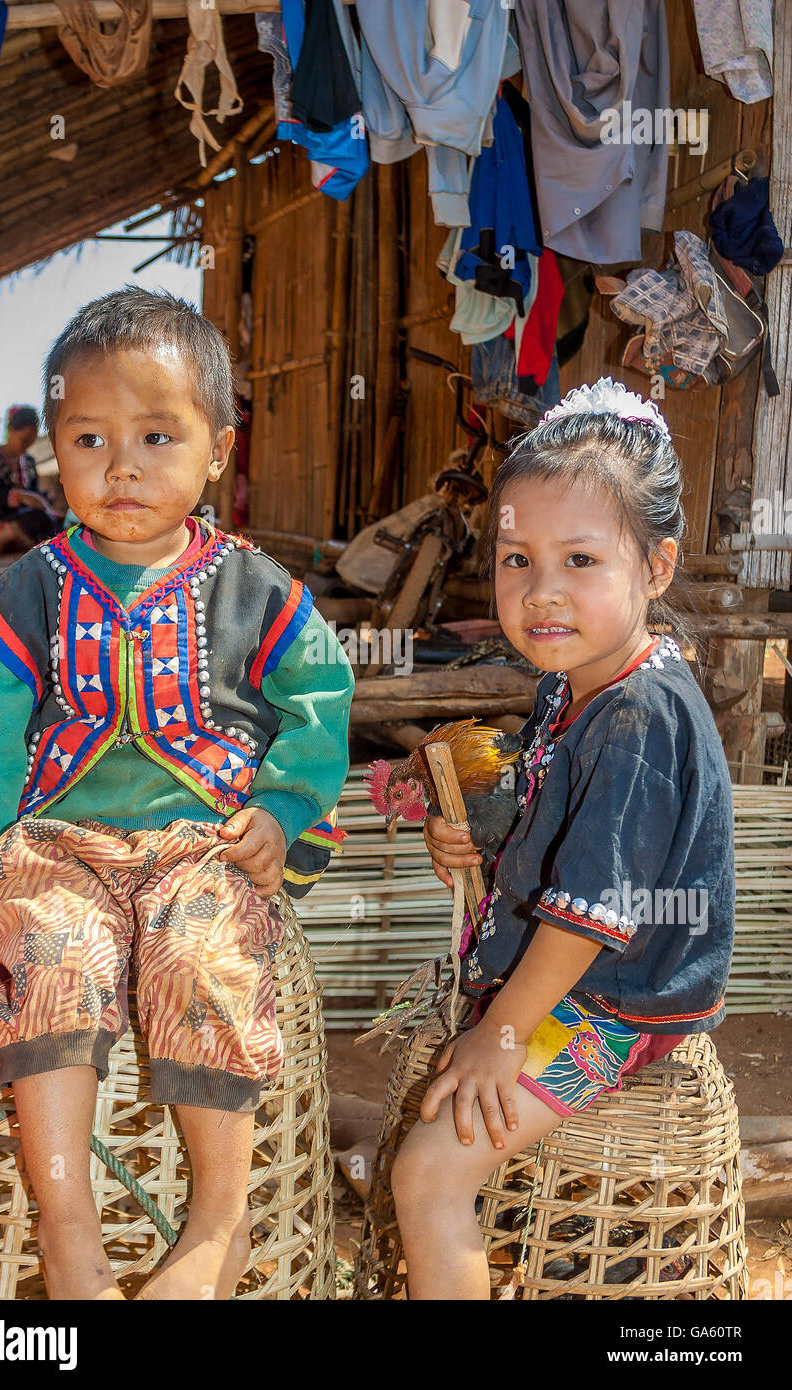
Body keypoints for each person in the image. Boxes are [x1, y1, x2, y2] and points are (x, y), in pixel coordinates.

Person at [0, 286, 354, 1301]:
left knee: (199, 954)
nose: (120, 466)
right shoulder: (18, 603)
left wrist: (280, 814)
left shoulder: (261, 595)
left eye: (158, 435)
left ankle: (217, 1223)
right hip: (53, 850)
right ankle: (67, 1222)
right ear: (51, 455)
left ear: (217, 451)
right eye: (88, 438)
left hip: (201, 845)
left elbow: (317, 709)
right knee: (51, 952)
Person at [391, 378, 735, 1300]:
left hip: (614, 999)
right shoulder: (573, 684)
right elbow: (550, 816)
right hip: (579, 973)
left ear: (657, 567)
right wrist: (471, 838)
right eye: (516, 560)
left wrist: (503, 1032)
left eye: (581, 560)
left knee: (426, 1173)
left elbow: (594, 911)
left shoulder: (639, 717)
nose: (540, 594)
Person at [0, 405, 63, 551]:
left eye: (31, 440)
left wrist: (46, 507)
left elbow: (34, 495)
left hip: (28, 520)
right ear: (10, 430)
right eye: (23, 439)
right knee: (37, 520)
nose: (27, 445)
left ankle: (6, 543)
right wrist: (19, 496)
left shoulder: (29, 461)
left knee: (56, 523)